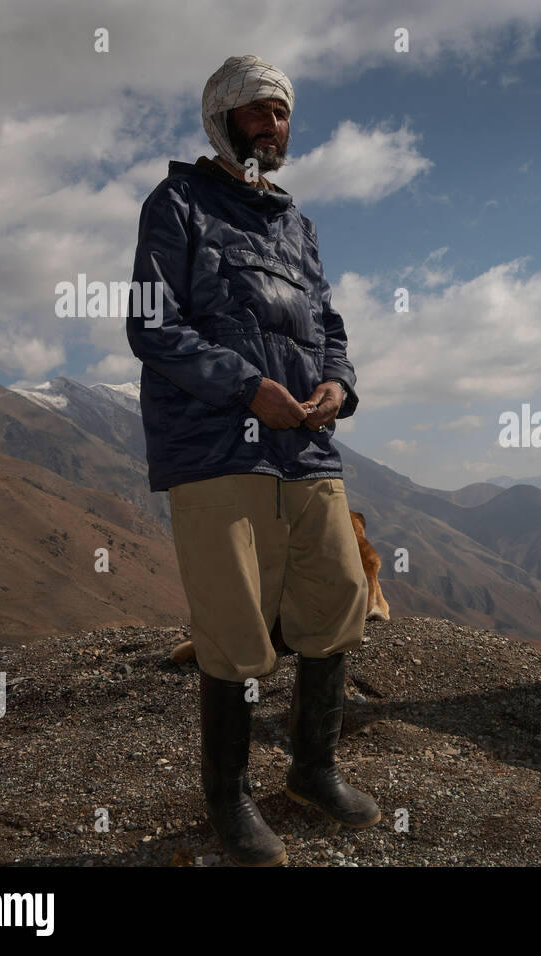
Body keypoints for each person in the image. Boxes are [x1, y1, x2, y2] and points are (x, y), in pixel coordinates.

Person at [126, 54, 379, 866]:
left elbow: (328, 325)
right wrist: (247, 388)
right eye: (257, 113)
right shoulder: (177, 203)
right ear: (222, 120)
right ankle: (228, 799)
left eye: (283, 114)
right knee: (234, 628)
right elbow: (151, 326)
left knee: (338, 594)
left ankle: (312, 769)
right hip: (215, 448)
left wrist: (338, 383)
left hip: (307, 448)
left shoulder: (297, 225)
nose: (274, 126)